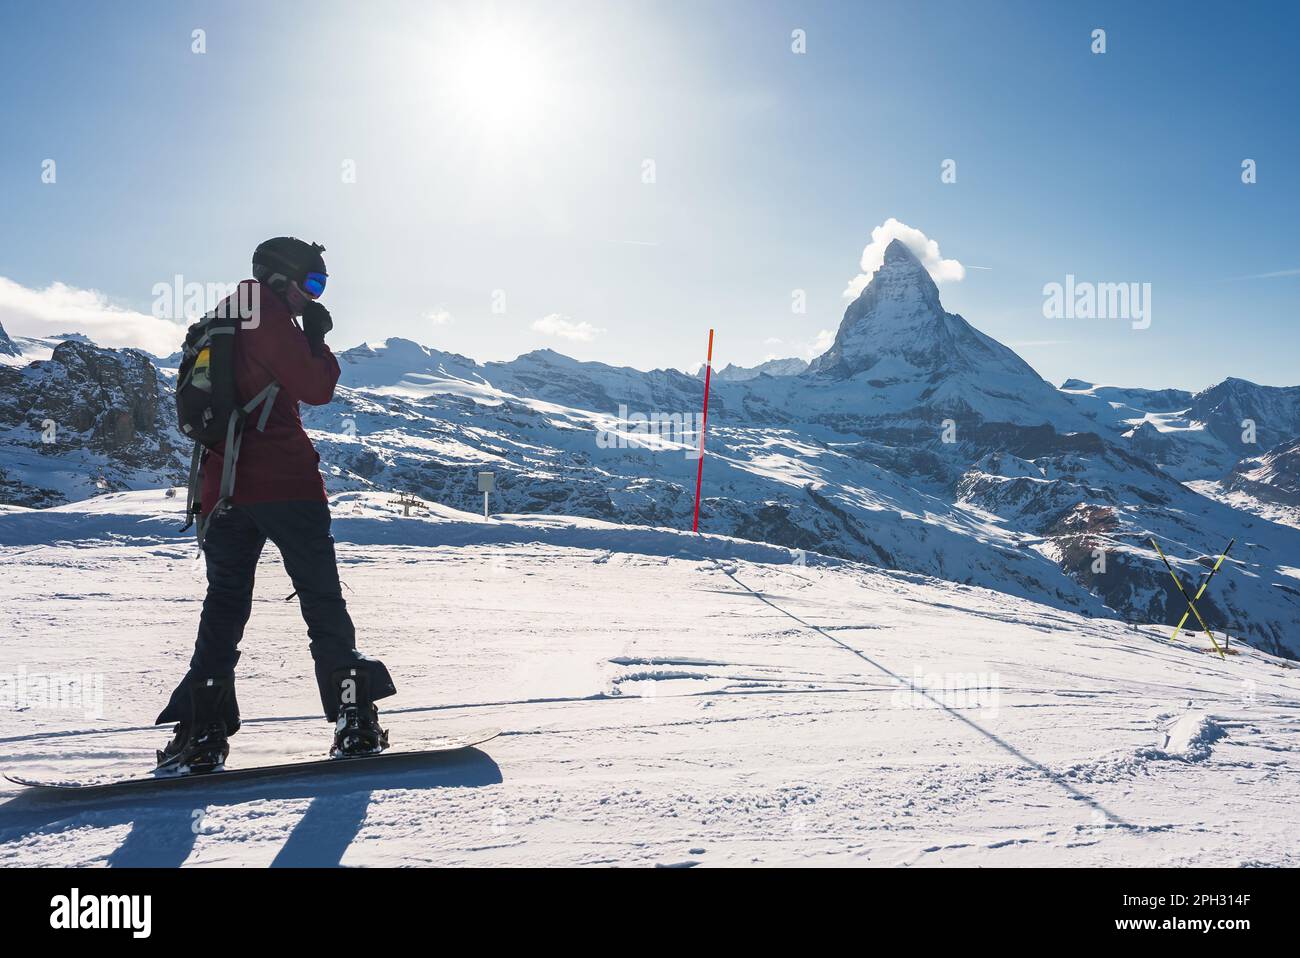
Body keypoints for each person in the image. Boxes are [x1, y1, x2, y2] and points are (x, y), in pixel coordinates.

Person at [156, 237, 396, 773]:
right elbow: (317, 388)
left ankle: (202, 731)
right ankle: (354, 722)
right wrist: (316, 341)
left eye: (321, 287)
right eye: (312, 284)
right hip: (286, 484)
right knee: (322, 602)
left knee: (223, 608)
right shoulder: (267, 317)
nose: (315, 297)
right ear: (281, 280)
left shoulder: (222, 317)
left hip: (224, 491)